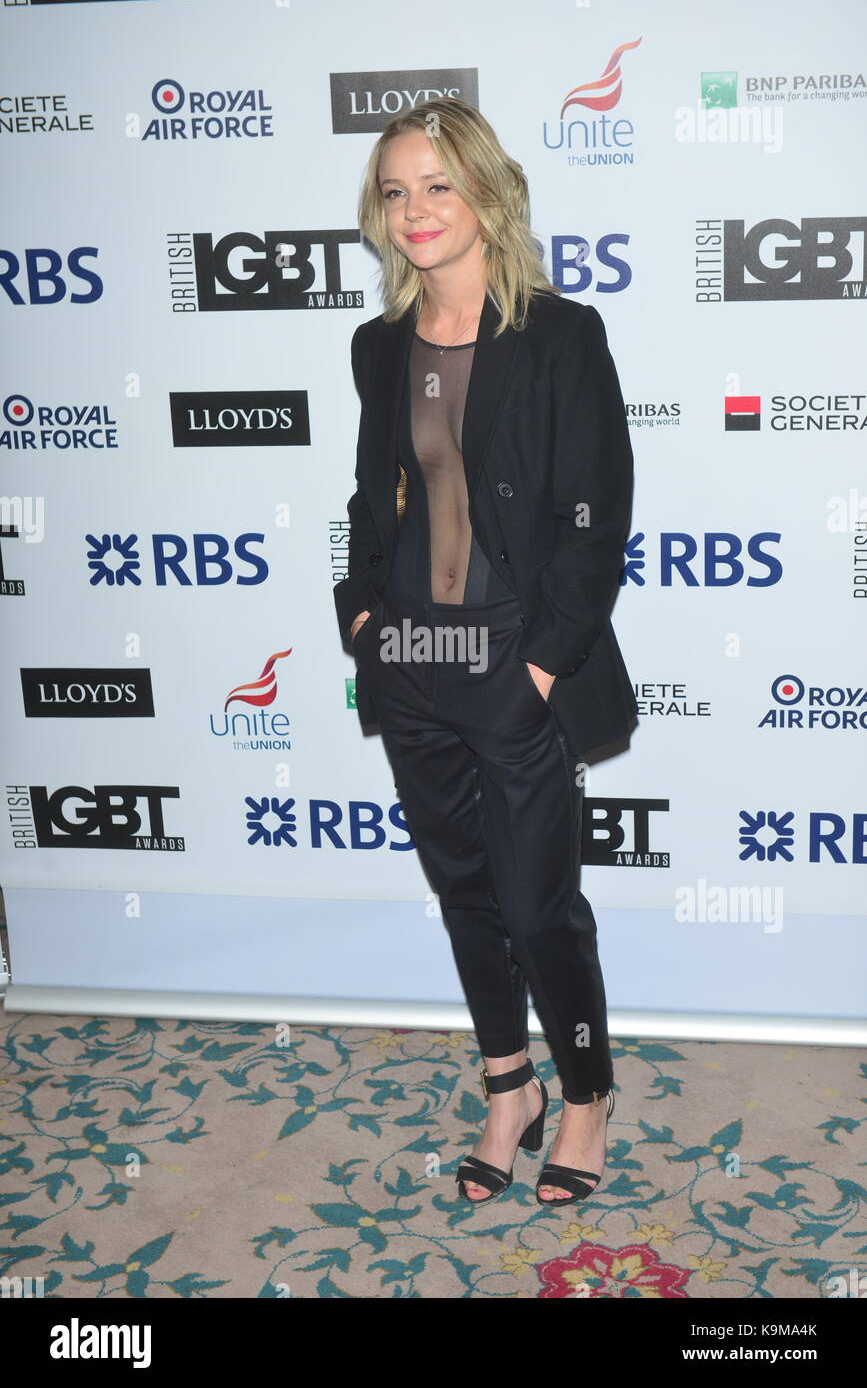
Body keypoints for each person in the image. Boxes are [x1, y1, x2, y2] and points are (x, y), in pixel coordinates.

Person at [333, 96, 637, 1205]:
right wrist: (365, 622)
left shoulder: (559, 336)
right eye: (396, 190)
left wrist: (542, 668)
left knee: (537, 898)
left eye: (437, 185)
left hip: (515, 662)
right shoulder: (379, 347)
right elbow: (373, 506)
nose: (415, 209)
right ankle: (509, 1088)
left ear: (486, 193)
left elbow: (596, 517)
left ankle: (589, 1093)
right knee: (463, 887)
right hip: (411, 661)